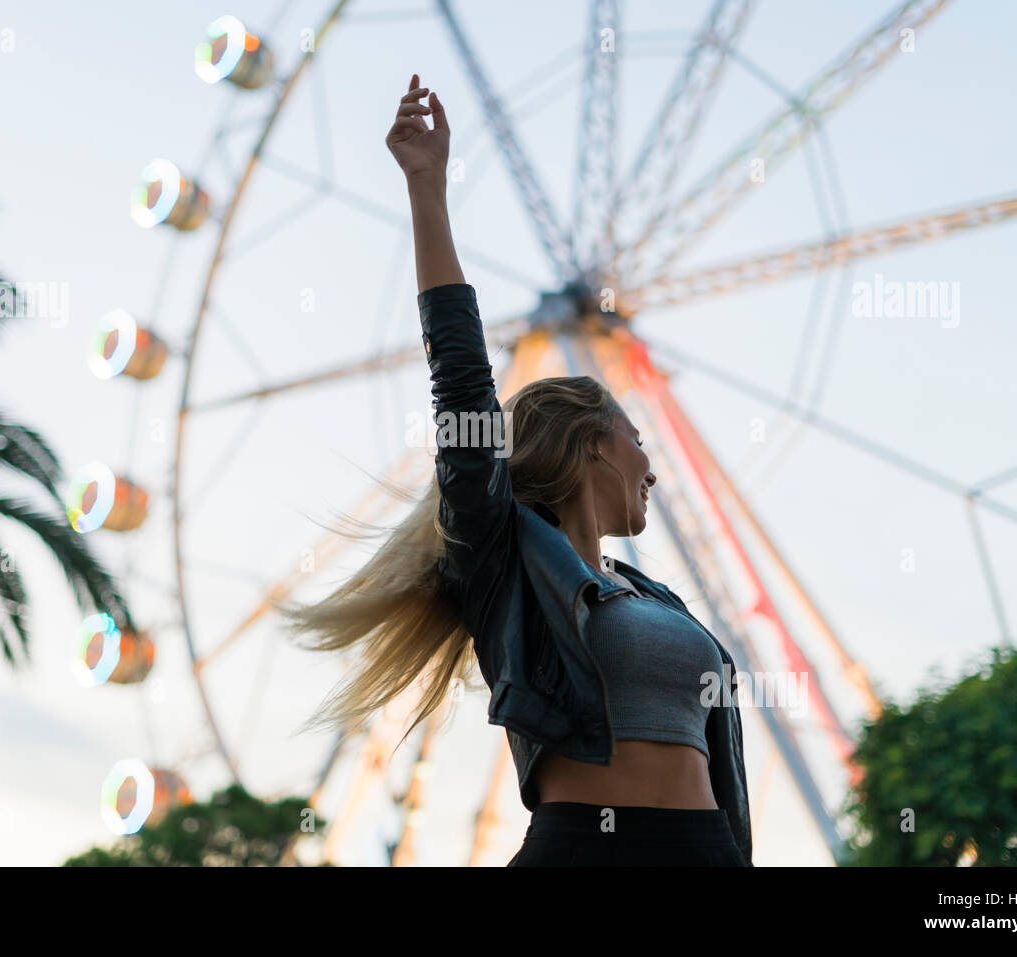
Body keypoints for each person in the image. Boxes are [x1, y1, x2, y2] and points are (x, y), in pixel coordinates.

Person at [275, 74, 751, 867]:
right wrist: (429, 189)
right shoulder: (503, 564)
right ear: (594, 442)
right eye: (639, 439)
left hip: (704, 849)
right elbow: (462, 390)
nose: (654, 469)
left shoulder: (654, 595)